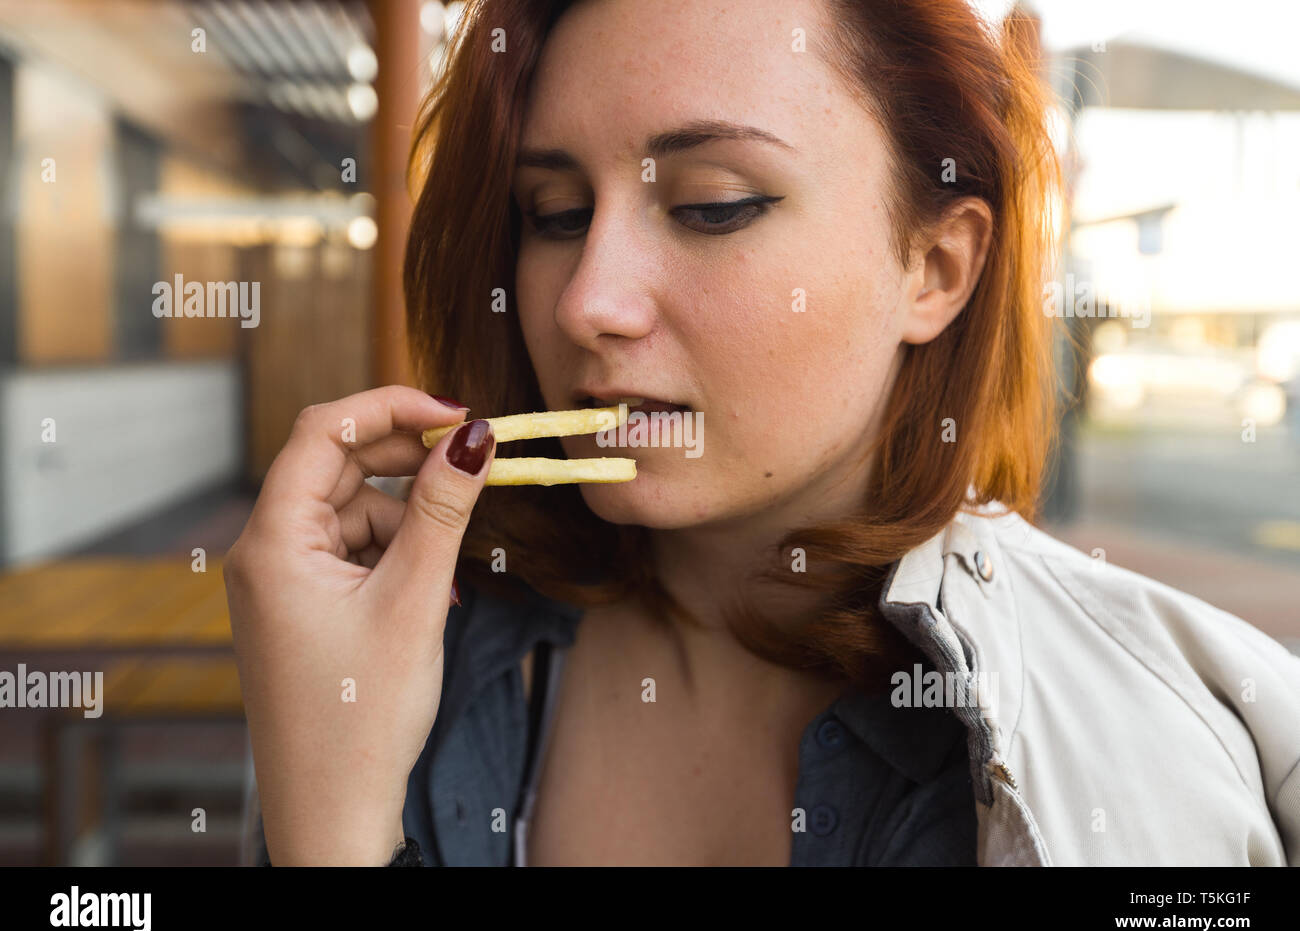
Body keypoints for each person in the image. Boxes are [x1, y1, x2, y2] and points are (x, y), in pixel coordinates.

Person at [225, 0, 1300, 866]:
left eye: (713, 204)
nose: (584, 300)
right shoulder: (421, 642)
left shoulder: (1126, 752)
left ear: (934, 268)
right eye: (553, 214)